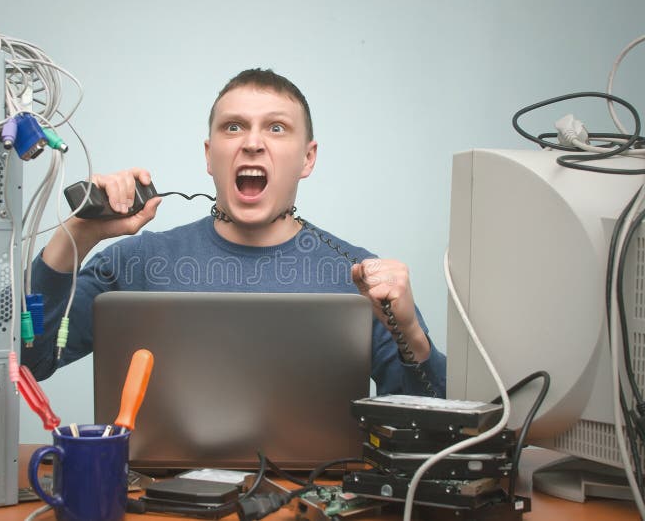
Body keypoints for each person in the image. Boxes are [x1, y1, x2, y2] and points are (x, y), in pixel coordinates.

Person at [23, 68, 446, 397]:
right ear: (210, 156)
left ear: (307, 158)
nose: (253, 143)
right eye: (233, 127)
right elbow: (27, 359)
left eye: (277, 128)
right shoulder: (133, 264)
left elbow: (429, 431)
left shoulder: (360, 277)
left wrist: (411, 336)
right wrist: (75, 235)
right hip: (161, 502)